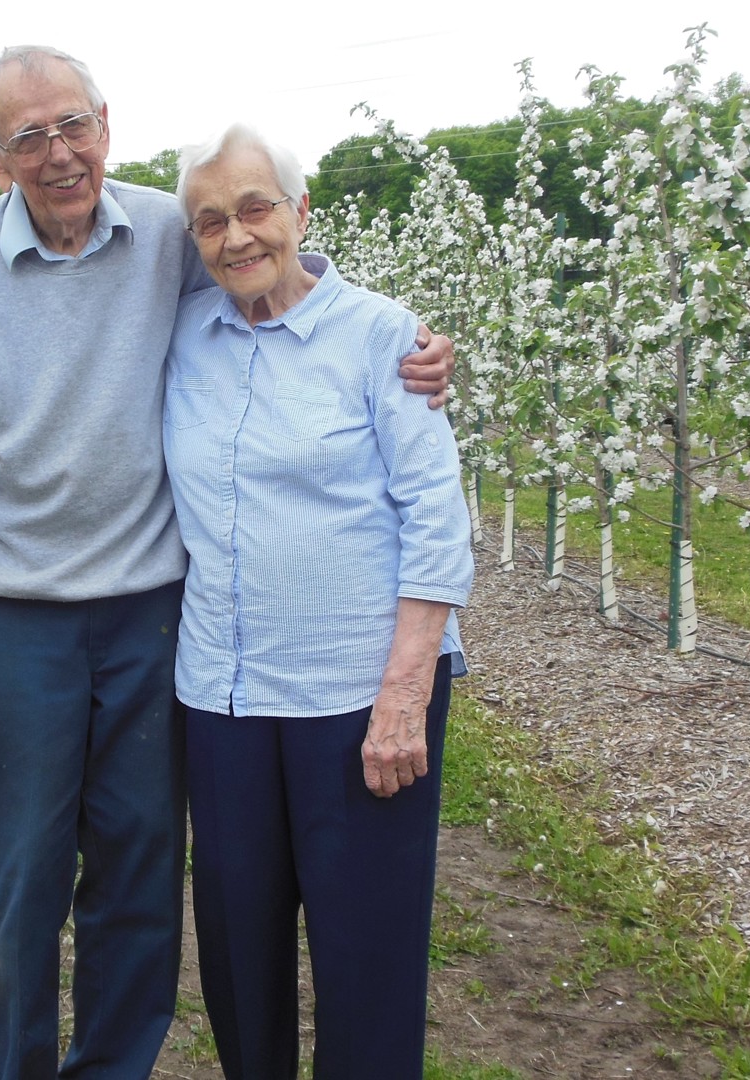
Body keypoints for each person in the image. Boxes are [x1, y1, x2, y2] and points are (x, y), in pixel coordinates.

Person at [0, 47, 452, 1080]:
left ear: (107, 125)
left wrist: (407, 351)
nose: (59, 153)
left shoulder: (166, 232)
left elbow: (274, 258)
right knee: (22, 882)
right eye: (29, 137)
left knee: (137, 877)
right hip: (9, 623)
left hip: (150, 619)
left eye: (73, 124)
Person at [163, 123, 474, 1080]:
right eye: (210, 221)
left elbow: (434, 515)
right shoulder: (183, 334)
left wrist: (404, 694)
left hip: (358, 697)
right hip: (222, 697)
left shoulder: (381, 335)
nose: (236, 236)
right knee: (236, 949)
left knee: (367, 954)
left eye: (255, 208)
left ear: (301, 212)